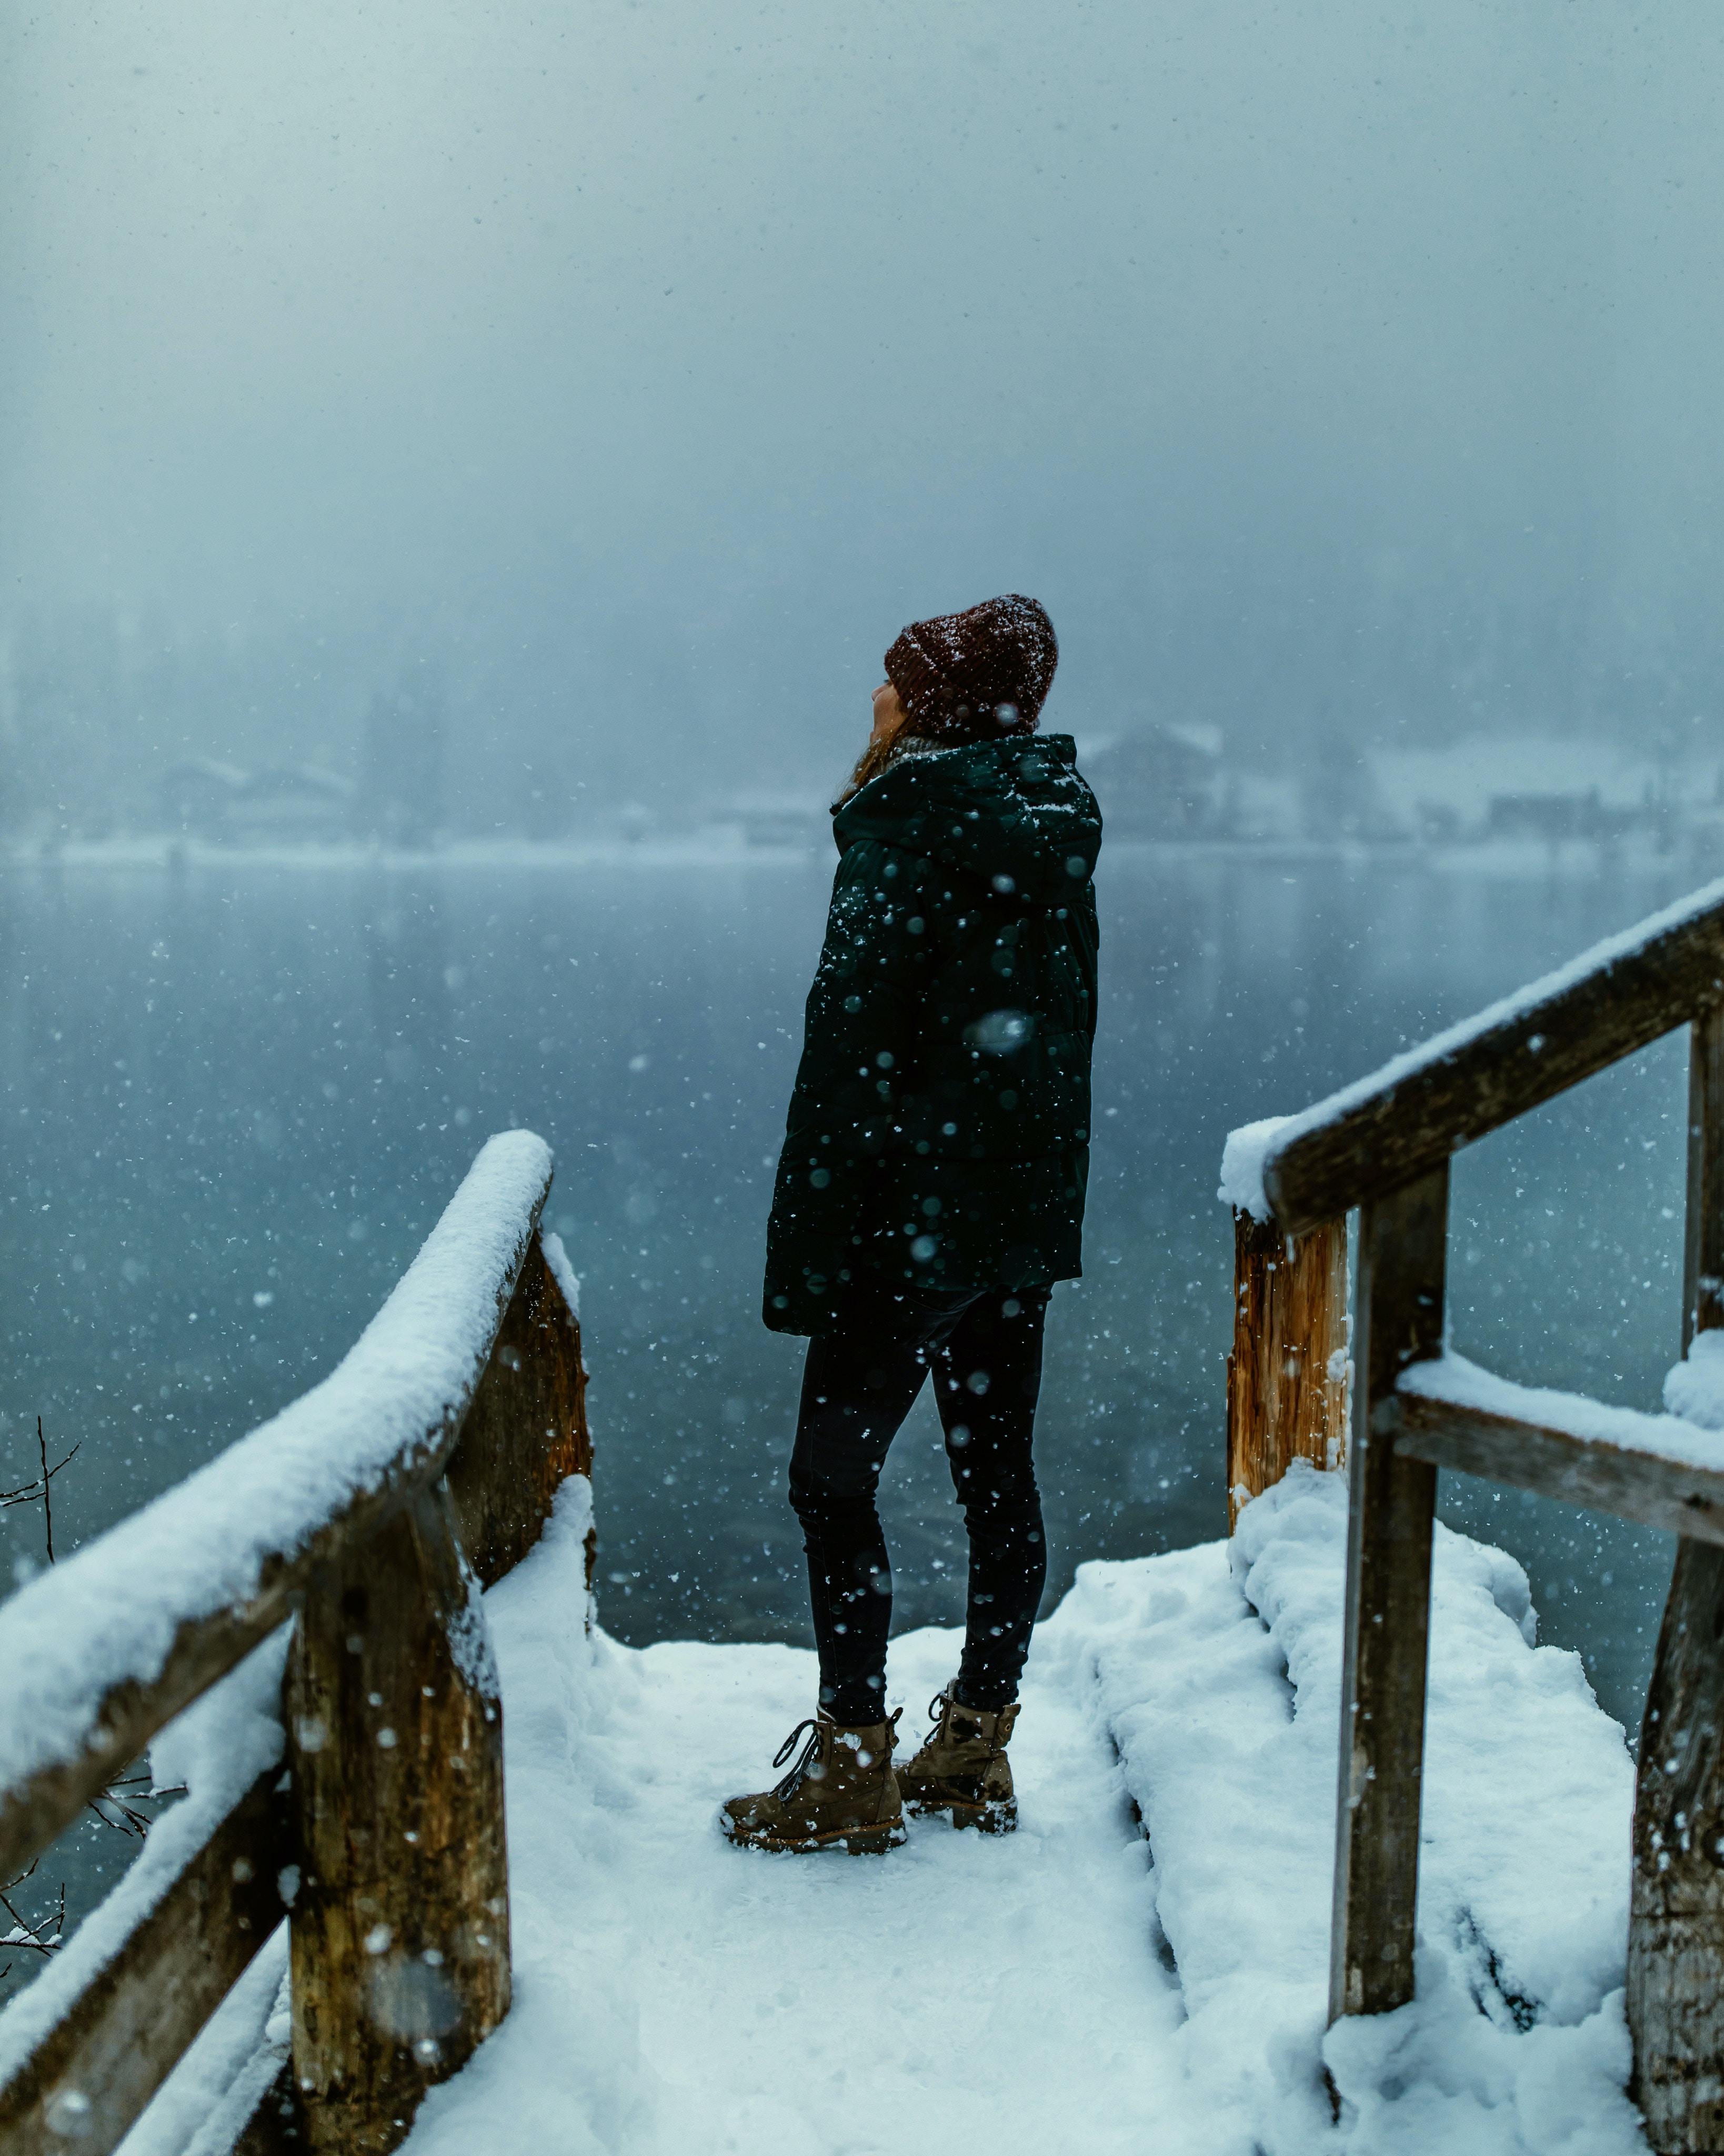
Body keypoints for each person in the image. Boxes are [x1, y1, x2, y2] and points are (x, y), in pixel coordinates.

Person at [721, 594, 1101, 1854]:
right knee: (997, 1471)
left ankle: (850, 1762)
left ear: (932, 706)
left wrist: (818, 1247)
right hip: (1011, 1209)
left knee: (828, 1479)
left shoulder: (910, 823)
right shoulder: (1046, 817)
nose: (874, 701)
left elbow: (850, 1057)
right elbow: (1039, 1039)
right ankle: (974, 1747)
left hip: (910, 1214)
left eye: (894, 683)